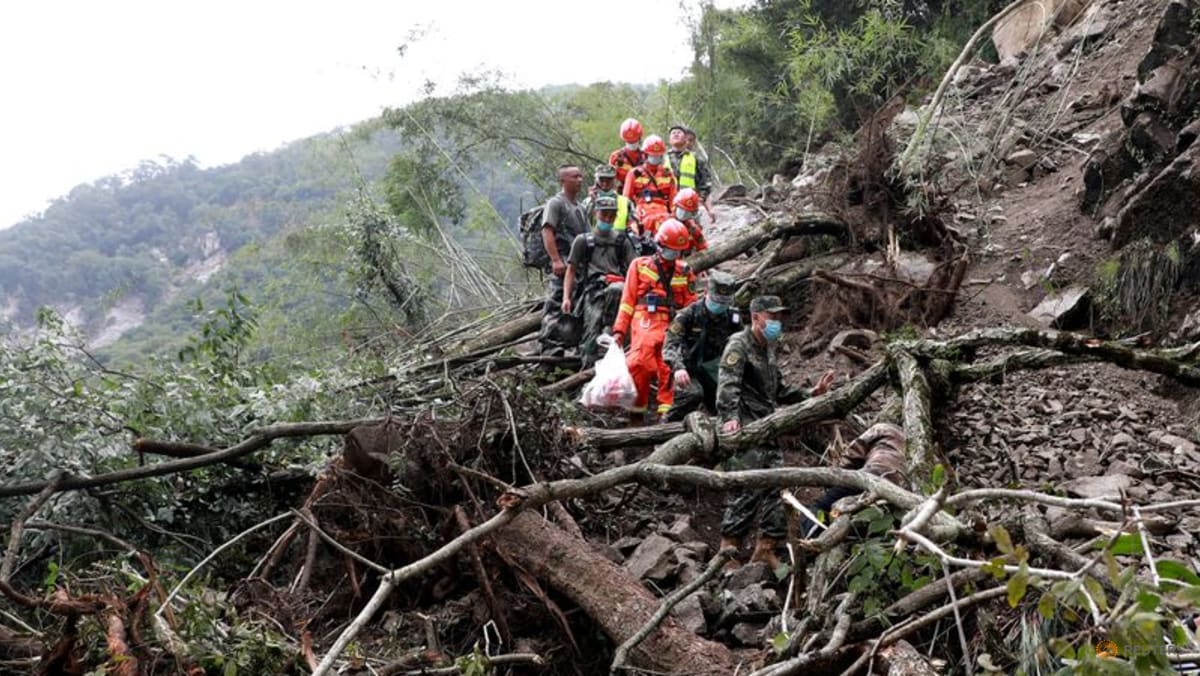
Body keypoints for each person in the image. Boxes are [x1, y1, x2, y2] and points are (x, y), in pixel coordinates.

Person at [716, 295, 836, 570]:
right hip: (746, 428)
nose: (777, 323)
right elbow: (727, 386)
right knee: (746, 487)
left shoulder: (768, 347)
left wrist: (810, 394)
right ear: (756, 317)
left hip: (768, 426)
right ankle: (728, 553)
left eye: (779, 317)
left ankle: (766, 548)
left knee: (776, 487)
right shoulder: (738, 345)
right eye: (772, 317)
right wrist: (730, 420)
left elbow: (778, 389)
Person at [612, 219, 697, 422]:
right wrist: (619, 331)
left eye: (678, 251)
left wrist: (690, 331)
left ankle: (665, 415)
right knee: (639, 363)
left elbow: (690, 305)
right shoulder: (639, 266)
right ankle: (636, 412)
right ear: (660, 245)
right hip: (644, 320)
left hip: (671, 322)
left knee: (668, 366)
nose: (674, 254)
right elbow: (627, 302)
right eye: (672, 249)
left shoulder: (685, 272)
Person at [562, 194, 637, 369]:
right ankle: (586, 375)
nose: (607, 219)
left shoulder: (621, 241)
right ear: (596, 214)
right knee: (591, 334)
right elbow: (571, 270)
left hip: (618, 294)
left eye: (611, 215)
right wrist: (567, 297)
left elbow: (634, 269)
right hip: (593, 292)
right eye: (604, 215)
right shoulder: (583, 241)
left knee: (619, 327)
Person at [800, 423, 909, 538]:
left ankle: (814, 531)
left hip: (871, 476)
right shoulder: (922, 448)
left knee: (820, 506)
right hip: (899, 490)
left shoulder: (884, 428)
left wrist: (838, 475)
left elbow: (854, 452)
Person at [662, 270, 741, 421]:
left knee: (731, 396)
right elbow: (670, 344)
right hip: (688, 370)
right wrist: (678, 368)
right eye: (717, 301)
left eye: (724, 303)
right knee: (692, 394)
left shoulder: (733, 316)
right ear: (705, 292)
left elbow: (741, 343)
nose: (720, 306)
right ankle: (667, 426)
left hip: (715, 369)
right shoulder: (688, 315)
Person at [538, 165, 590, 357]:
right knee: (555, 303)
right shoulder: (556, 203)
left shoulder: (580, 208)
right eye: (575, 176)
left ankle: (570, 346)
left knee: (576, 304)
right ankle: (549, 347)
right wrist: (555, 259)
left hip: (578, 266)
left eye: (581, 176)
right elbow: (547, 230)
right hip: (562, 264)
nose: (580, 180)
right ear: (563, 181)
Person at [623, 134, 677, 238]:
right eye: (652, 155)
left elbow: (673, 201)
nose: (655, 158)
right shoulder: (634, 173)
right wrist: (631, 222)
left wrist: (673, 218)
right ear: (645, 155)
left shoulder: (668, 174)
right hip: (642, 214)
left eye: (657, 155)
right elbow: (626, 201)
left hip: (664, 215)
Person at [666, 125, 716, 223]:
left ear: (686, 139)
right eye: (673, 133)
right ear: (669, 140)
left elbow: (705, 186)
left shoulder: (696, 159)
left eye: (679, 132)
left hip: (689, 208)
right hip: (667, 208)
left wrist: (709, 209)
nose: (676, 134)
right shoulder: (661, 158)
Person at [584, 164, 638, 236]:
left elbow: (633, 224)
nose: (605, 183)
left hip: (619, 242)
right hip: (594, 242)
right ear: (596, 181)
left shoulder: (626, 202)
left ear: (615, 180)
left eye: (609, 179)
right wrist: (593, 201)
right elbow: (582, 222)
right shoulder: (588, 201)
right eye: (601, 179)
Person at [609, 118, 646, 186]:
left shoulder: (646, 157)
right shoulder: (616, 157)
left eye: (634, 141)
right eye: (629, 142)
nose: (632, 144)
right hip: (621, 193)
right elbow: (608, 179)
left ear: (639, 138)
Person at [672, 188, 708, 255]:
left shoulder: (692, 228)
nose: (684, 214)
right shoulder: (665, 224)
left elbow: (702, 245)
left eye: (688, 212)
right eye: (683, 210)